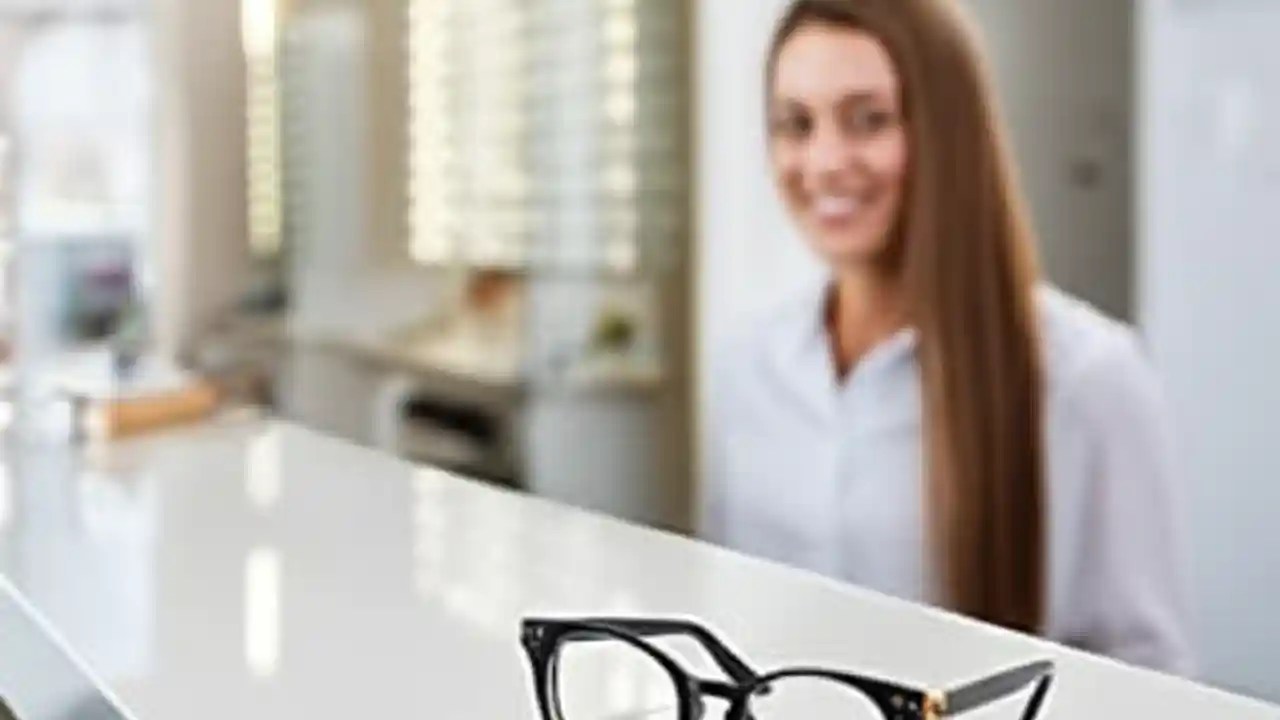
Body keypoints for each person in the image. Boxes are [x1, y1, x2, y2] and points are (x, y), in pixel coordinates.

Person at [701, 0, 1193, 674]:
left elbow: (1149, 682)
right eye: (795, 124)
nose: (824, 160)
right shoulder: (746, 366)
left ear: (945, 131)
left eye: (867, 120)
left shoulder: (1087, 379)